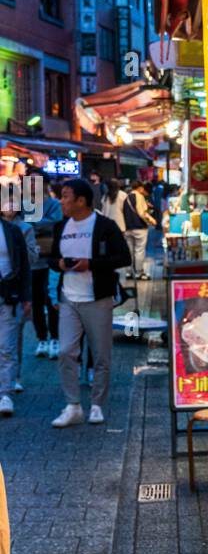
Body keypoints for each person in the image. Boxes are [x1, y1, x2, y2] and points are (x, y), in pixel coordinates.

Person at [49, 177, 130, 427]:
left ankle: (96, 404)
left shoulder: (104, 225)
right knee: (66, 351)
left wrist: (90, 264)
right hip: (68, 298)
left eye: (65, 196)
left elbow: (123, 257)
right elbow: (53, 258)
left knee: (101, 353)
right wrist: (59, 264)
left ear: (81, 201)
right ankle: (72, 405)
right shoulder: (61, 226)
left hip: (97, 298)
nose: (61, 201)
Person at [1, 201, 38, 393]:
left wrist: (26, 295)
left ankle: (13, 378)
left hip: (12, 290)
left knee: (13, 338)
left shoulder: (23, 228)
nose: (9, 207)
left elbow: (29, 260)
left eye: (12, 203)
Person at [31, 173, 62, 357]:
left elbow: (55, 223)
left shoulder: (54, 204)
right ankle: (41, 338)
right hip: (32, 261)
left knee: (52, 300)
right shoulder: (25, 205)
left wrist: (34, 223)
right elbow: (20, 225)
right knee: (35, 302)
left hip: (50, 259)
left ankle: (55, 338)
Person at [123, 180, 157, 280]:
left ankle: (129, 272)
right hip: (139, 227)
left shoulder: (126, 196)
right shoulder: (139, 196)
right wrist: (152, 220)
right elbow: (142, 213)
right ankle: (139, 272)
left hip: (127, 227)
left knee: (129, 251)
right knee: (139, 250)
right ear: (140, 188)